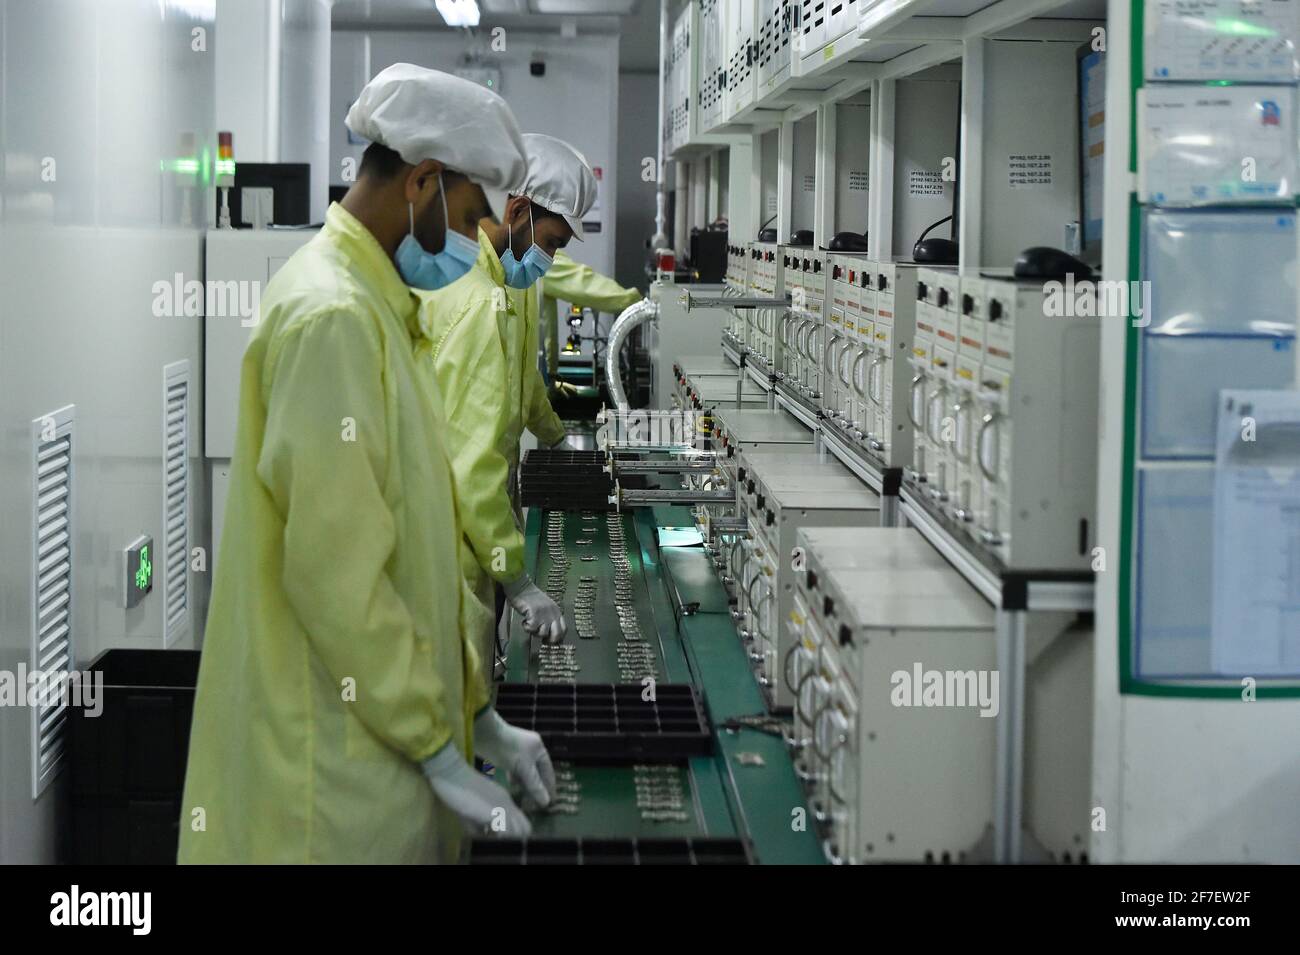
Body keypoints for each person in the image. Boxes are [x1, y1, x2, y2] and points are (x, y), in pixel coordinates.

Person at [179, 64, 554, 864]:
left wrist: (476, 714)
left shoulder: (382, 307)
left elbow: (411, 548)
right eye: (469, 216)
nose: (480, 240)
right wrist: (437, 746)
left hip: (377, 746)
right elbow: (338, 577)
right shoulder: (334, 318)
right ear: (421, 182)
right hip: (332, 780)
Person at [415, 134, 596, 677]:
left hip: (467, 534)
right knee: (455, 701)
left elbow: (521, 383)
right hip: (447, 553)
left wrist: (559, 438)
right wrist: (516, 579)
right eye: (553, 240)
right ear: (517, 210)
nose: (551, 257)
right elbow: (471, 469)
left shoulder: (502, 277)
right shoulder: (477, 301)